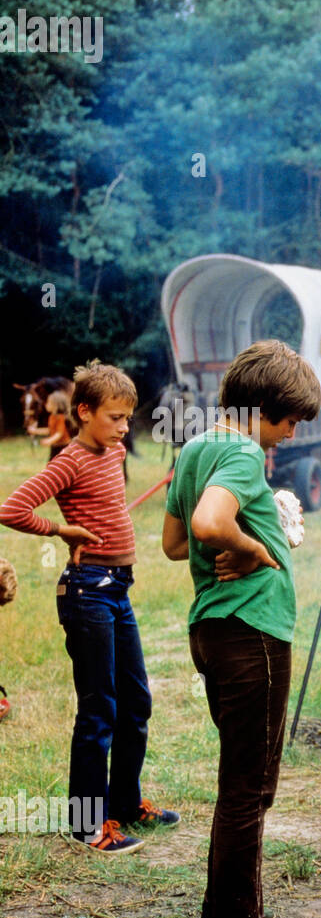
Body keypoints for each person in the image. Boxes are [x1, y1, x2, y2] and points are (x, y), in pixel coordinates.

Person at [161, 339, 321, 918]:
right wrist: (256, 549)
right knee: (249, 787)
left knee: (240, 781)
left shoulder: (197, 446)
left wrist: (244, 529)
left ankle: (222, 916)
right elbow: (204, 526)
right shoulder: (242, 452)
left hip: (214, 632)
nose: (285, 438)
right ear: (261, 408)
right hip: (251, 633)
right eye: (287, 423)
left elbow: (173, 544)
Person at [1, 361, 177, 852]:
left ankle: (123, 805)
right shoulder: (69, 461)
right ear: (83, 412)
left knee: (136, 703)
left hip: (116, 590)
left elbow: (105, 504)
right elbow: (12, 509)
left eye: (128, 417)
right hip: (86, 594)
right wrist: (63, 530)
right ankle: (85, 825)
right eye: (115, 417)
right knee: (99, 710)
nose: (125, 428)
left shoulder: (113, 451)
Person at [30, 389, 72, 460]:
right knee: (52, 464)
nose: (46, 404)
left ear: (56, 405)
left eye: (48, 402)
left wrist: (49, 440)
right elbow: (50, 430)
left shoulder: (60, 417)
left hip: (63, 446)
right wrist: (35, 431)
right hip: (55, 446)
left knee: (60, 466)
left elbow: (59, 433)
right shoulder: (52, 416)